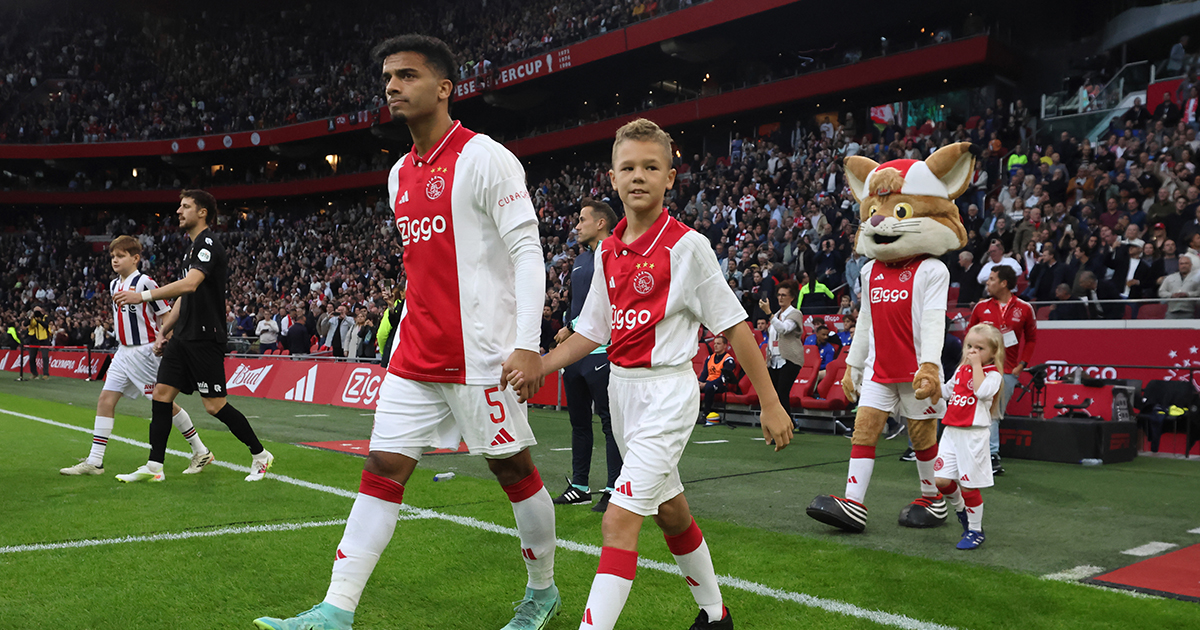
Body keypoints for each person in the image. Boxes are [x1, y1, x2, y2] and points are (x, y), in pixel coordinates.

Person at [254, 35, 559, 630]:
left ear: (444, 88)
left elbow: (528, 252)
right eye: (388, 77)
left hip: (482, 357)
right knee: (382, 468)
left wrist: (527, 344)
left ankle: (541, 592)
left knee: (513, 471)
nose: (393, 86)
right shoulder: (398, 174)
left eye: (407, 75)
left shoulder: (486, 158)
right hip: (415, 355)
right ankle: (336, 609)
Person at [507, 118, 792, 630]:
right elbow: (592, 331)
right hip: (622, 393)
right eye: (628, 167)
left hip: (666, 394)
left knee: (617, 520)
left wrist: (771, 403)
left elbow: (735, 326)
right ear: (613, 178)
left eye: (651, 167)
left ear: (670, 178)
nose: (638, 176)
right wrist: (541, 365)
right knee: (670, 511)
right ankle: (716, 616)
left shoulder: (687, 247)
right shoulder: (606, 251)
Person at [112, 189, 271, 484]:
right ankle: (154, 466)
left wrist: (142, 296)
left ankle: (260, 455)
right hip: (182, 337)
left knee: (214, 406)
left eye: (185, 206)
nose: (179, 211)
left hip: (204, 337)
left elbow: (191, 284)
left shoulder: (208, 244)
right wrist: (163, 331)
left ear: (202, 212)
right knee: (160, 396)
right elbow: (184, 298)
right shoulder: (191, 249)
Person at [59, 235, 212, 476]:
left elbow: (165, 314)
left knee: (163, 403)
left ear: (135, 258)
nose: (115, 260)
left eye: (120, 256)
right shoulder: (113, 285)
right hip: (123, 352)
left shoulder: (145, 283)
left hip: (145, 353)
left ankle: (200, 450)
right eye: (112, 256)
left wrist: (165, 339)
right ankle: (95, 461)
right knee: (105, 399)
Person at [551, 199, 623, 512]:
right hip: (576, 354)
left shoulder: (615, 253)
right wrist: (568, 325)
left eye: (582, 220)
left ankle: (614, 488)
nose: (577, 226)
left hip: (602, 350)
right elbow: (578, 303)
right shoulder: (581, 259)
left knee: (610, 423)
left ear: (601, 223)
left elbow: (609, 304)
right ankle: (580, 486)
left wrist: (570, 328)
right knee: (579, 422)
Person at [935, 322, 1004, 550]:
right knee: (941, 480)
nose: (972, 351)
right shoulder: (961, 370)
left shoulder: (993, 375)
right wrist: (931, 385)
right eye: (969, 346)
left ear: (993, 352)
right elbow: (947, 391)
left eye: (979, 348)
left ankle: (975, 530)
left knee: (968, 486)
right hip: (951, 431)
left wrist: (975, 366)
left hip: (973, 435)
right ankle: (961, 509)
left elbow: (981, 392)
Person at [966, 266, 1036, 476]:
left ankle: (991, 455)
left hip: (1007, 371)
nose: (987, 283)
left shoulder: (1024, 308)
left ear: (1004, 283)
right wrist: (969, 363)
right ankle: (983, 454)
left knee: (993, 413)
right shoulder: (981, 307)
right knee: (977, 411)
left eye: (992, 279)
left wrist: (1022, 364)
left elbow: (1031, 339)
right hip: (980, 369)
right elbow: (969, 336)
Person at [761, 278, 805, 420]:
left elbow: (784, 329)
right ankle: (783, 422)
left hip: (789, 359)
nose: (780, 298)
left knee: (782, 392)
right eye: (779, 295)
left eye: (784, 295)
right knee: (774, 394)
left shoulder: (795, 314)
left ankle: (786, 423)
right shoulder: (777, 314)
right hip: (774, 360)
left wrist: (769, 314)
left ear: (791, 298)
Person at [697, 335, 737, 426]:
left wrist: (706, 384)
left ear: (725, 346)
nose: (715, 345)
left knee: (709, 387)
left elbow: (723, 378)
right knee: (693, 387)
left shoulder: (728, 360)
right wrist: (699, 383)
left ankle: (705, 415)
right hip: (708, 383)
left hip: (721, 385)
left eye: (718, 344)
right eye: (714, 343)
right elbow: (704, 373)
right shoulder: (709, 358)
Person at [26, 306, 51, 379]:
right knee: (32, 357)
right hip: (34, 339)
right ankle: (34, 373)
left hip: (44, 339)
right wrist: (30, 317)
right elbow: (25, 324)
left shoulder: (45, 317)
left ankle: (46, 374)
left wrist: (39, 320)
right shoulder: (32, 318)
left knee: (45, 357)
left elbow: (46, 325)